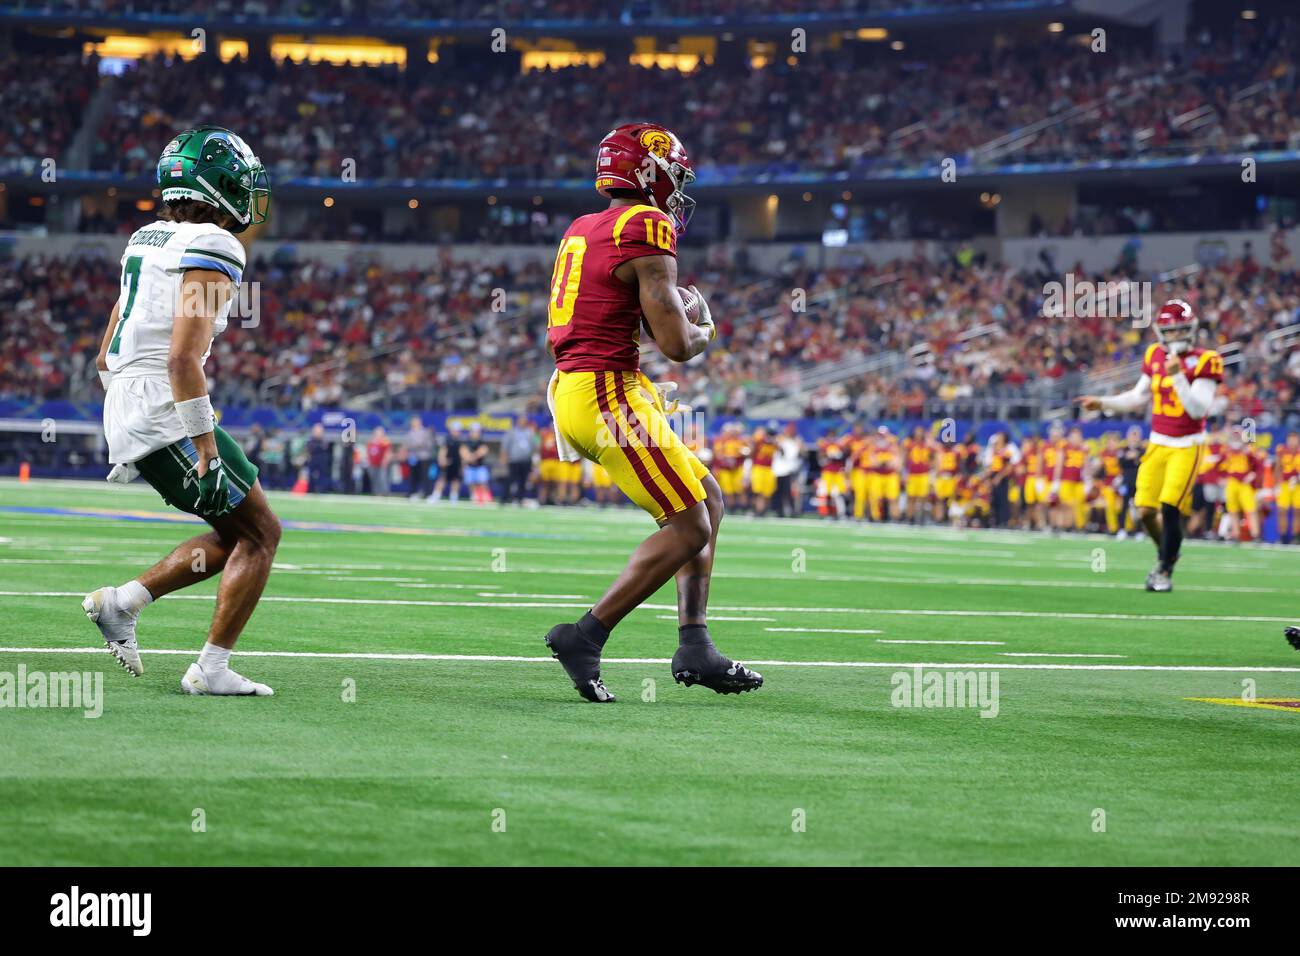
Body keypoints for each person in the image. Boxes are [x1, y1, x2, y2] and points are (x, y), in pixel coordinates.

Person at [541, 122, 761, 702]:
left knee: (707, 498)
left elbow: (595, 311)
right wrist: (704, 327)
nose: (678, 187)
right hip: (606, 391)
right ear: (648, 170)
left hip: (588, 384)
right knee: (690, 525)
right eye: (675, 173)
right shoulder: (647, 222)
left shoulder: (585, 226)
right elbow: (678, 345)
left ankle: (695, 644)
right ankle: (585, 635)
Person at [84, 125, 277, 696]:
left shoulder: (146, 236)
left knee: (235, 530)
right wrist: (204, 446)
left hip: (133, 398)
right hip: (162, 402)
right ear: (218, 186)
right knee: (262, 534)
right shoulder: (216, 245)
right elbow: (182, 357)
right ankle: (210, 669)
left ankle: (123, 602)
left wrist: (127, 414)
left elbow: (107, 344)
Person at [1077, 300, 1223, 591]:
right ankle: (1167, 552)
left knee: (1170, 507)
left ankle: (1164, 570)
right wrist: (1104, 403)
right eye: (1169, 332)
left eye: (1180, 331)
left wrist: (1178, 376)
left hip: (1187, 444)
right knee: (1144, 510)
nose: (1174, 338)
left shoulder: (1205, 359)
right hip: (1158, 442)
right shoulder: (1154, 354)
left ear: (1191, 330)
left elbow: (1197, 409)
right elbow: (1138, 396)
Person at [500, 417, 537, 505]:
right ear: (517, 422)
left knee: (523, 481)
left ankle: (520, 498)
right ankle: (505, 498)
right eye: (521, 421)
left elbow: (534, 447)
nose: (522, 423)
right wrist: (504, 457)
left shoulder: (530, 433)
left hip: (526, 461)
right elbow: (505, 446)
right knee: (510, 479)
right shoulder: (512, 432)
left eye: (524, 421)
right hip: (514, 460)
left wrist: (533, 460)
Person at [772, 422, 803, 518]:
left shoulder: (796, 442)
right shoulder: (781, 440)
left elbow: (801, 454)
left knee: (790, 493)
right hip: (779, 470)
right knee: (779, 492)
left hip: (790, 470)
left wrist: (800, 445)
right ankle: (779, 511)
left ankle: (793, 511)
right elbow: (780, 453)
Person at [405, 415, 434, 499]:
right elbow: (408, 445)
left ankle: (428, 494)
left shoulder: (426, 432)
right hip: (413, 458)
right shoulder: (410, 433)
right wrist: (415, 445)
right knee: (413, 476)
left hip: (424, 457)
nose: (414, 423)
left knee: (425, 476)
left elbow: (429, 445)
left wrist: (420, 445)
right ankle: (413, 493)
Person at [462, 422, 492, 504]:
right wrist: (470, 457)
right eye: (474, 431)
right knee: (472, 484)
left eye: (477, 431)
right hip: (470, 467)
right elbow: (464, 453)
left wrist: (472, 456)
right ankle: (474, 497)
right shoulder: (466, 442)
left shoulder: (482, 442)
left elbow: (483, 451)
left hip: (480, 467)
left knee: (483, 484)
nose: (475, 433)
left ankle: (486, 498)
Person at [306, 422, 334, 494]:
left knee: (322, 476)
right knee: (311, 475)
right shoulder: (311, 441)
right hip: (313, 459)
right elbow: (311, 449)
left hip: (322, 459)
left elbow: (324, 448)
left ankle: (321, 490)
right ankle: (311, 489)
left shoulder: (324, 441)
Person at [365, 426, 392, 496]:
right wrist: (368, 461)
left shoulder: (385, 441)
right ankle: (376, 493)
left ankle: (384, 493)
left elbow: (388, 452)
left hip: (381, 463)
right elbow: (368, 452)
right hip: (372, 463)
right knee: (374, 479)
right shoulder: (371, 442)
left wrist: (385, 460)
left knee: (382, 479)